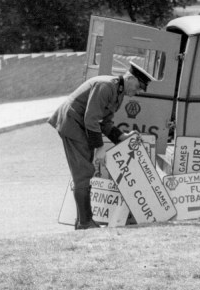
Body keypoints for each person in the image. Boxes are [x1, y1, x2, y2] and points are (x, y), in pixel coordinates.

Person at [49, 62, 155, 229]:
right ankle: (85, 223)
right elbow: (91, 119)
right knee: (83, 172)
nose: (138, 92)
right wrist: (99, 148)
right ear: (130, 78)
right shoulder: (106, 87)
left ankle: (82, 222)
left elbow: (105, 123)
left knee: (84, 171)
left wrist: (122, 136)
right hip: (72, 123)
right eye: (138, 87)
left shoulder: (118, 93)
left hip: (79, 125)